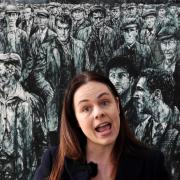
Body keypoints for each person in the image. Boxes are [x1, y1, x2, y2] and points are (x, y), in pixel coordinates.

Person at [34, 71, 169, 180]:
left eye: (104, 102)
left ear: (117, 105)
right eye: (86, 108)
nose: (98, 113)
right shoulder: (54, 161)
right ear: (76, 120)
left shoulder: (152, 163)